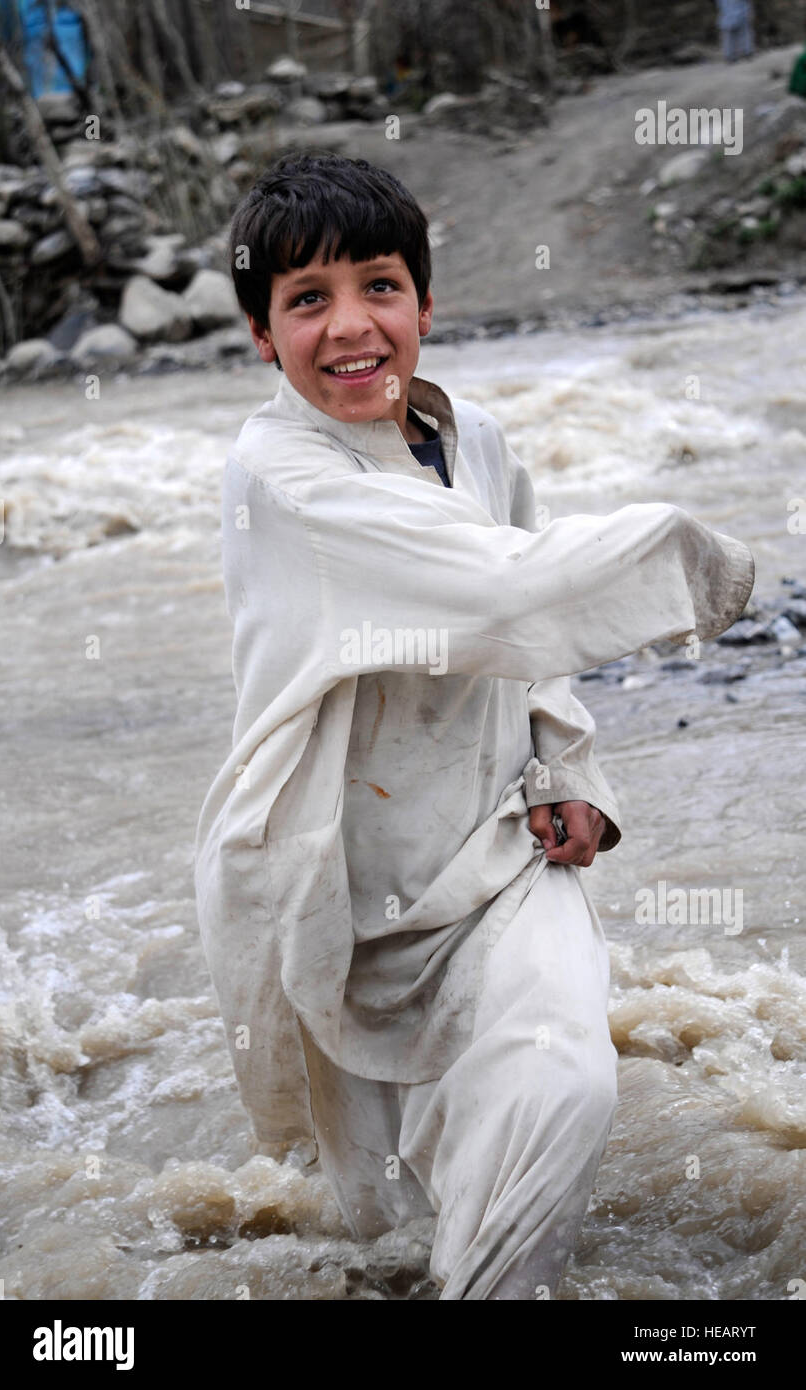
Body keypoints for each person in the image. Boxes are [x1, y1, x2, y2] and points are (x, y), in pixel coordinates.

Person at [193, 152, 755, 1300]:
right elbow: (504, 592)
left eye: (380, 286)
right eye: (307, 301)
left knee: (560, 1086)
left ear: (427, 303)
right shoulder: (285, 475)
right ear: (261, 335)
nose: (351, 327)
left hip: (494, 853)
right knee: (384, 1218)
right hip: (337, 893)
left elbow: (526, 623)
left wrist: (569, 768)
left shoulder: (471, 436)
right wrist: (698, 558)